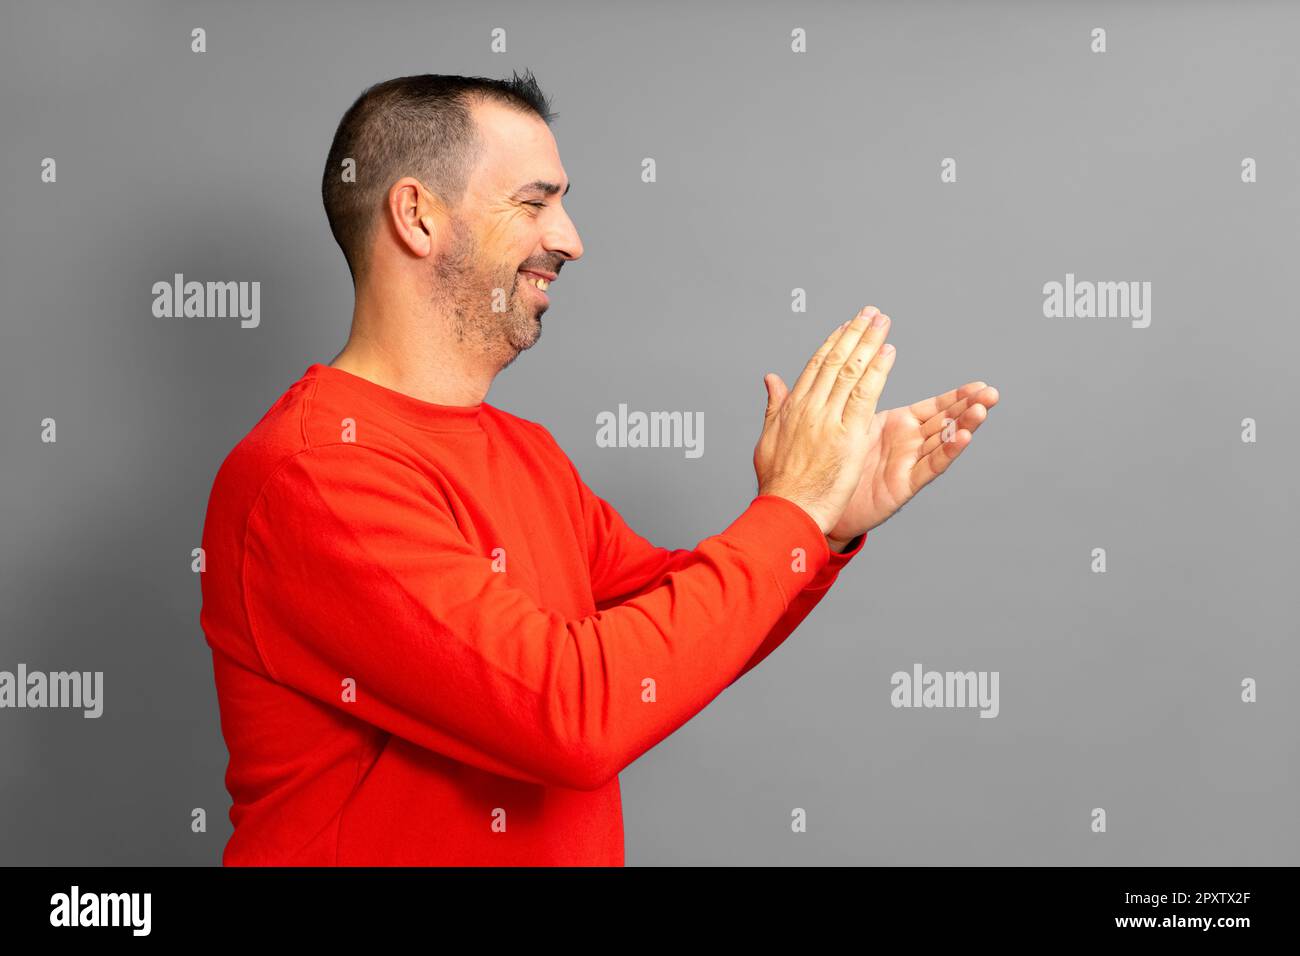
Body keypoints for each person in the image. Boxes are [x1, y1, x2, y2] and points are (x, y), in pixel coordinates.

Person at [198, 70, 998, 865]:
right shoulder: (312, 475)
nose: (571, 238)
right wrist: (788, 510)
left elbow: (674, 635)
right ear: (417, 216)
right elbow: (572, 715)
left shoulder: (527, 453)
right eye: (535, 201)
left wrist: (821, 525)